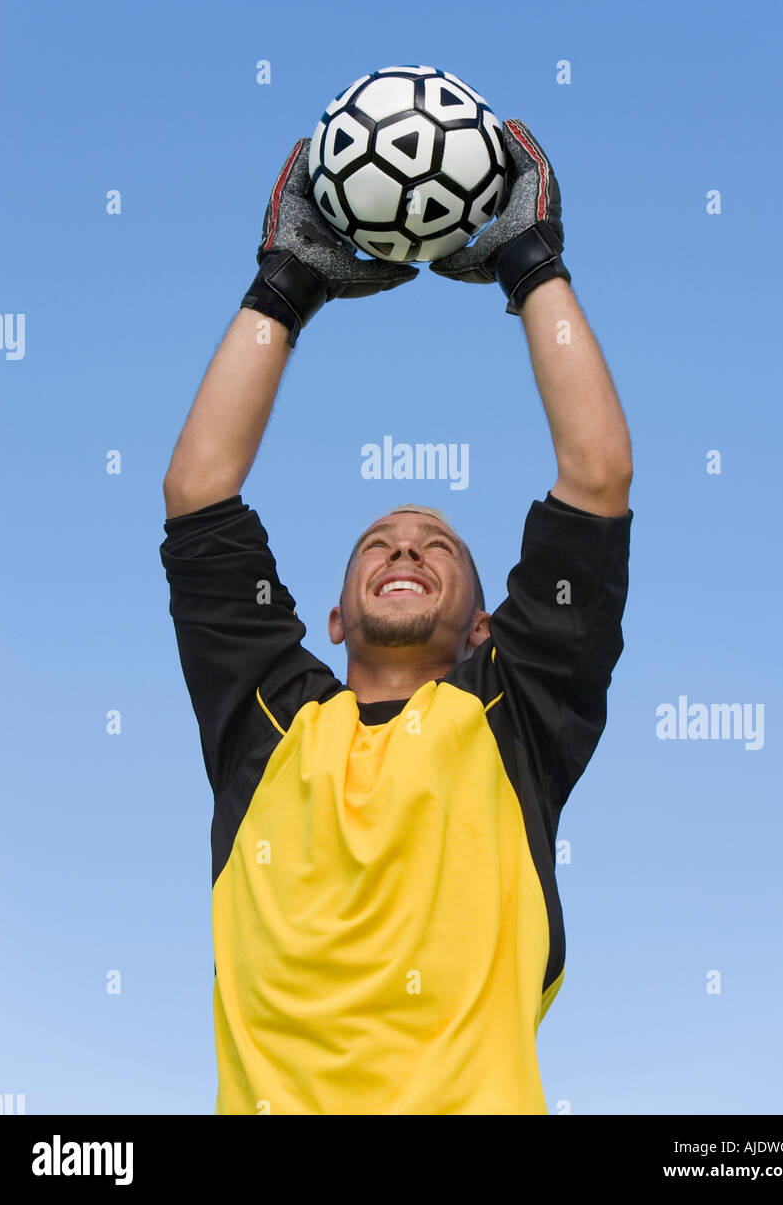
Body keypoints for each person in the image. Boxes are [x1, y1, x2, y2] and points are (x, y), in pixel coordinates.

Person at [159, 120, 633, 1115]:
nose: (406, 547)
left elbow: (595, 476)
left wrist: (528, 261)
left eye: (437, 544)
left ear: (482, 629)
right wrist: (282, 284)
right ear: (331, 616)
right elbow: (199, 493)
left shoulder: (512, 719)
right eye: (379, 540)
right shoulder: (270, 723)